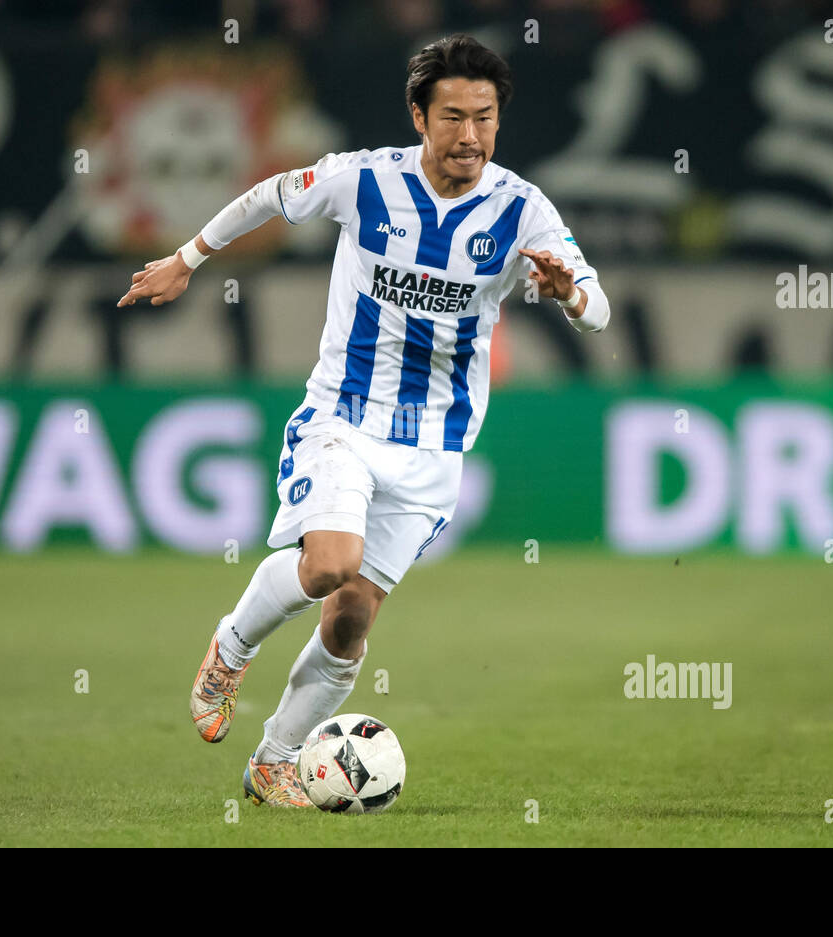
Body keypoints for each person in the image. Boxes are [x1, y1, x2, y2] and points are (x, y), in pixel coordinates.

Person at [117, 33, 609, 807]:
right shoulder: (363, 180)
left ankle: (276, 758)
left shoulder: (522, 210)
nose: (470, 135)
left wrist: (567, 293)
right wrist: (189, 258)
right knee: (328, 565)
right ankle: (231, 644)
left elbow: (598, 308)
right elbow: (271, 193)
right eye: (452, 116)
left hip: (434, 451)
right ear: (419, 115)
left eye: (485, 117)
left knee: (350, 622)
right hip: (342, 417)